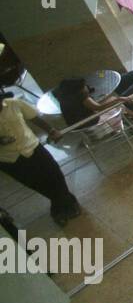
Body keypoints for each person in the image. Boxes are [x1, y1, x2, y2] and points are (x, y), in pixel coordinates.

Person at [0, 90, 82, 225]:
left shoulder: (14, 104)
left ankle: (58, 209)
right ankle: (67, 204)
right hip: (9, 159)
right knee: (36, 183)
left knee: (54, 173)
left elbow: (34, 118)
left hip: (32, 147)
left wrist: (51, 130)